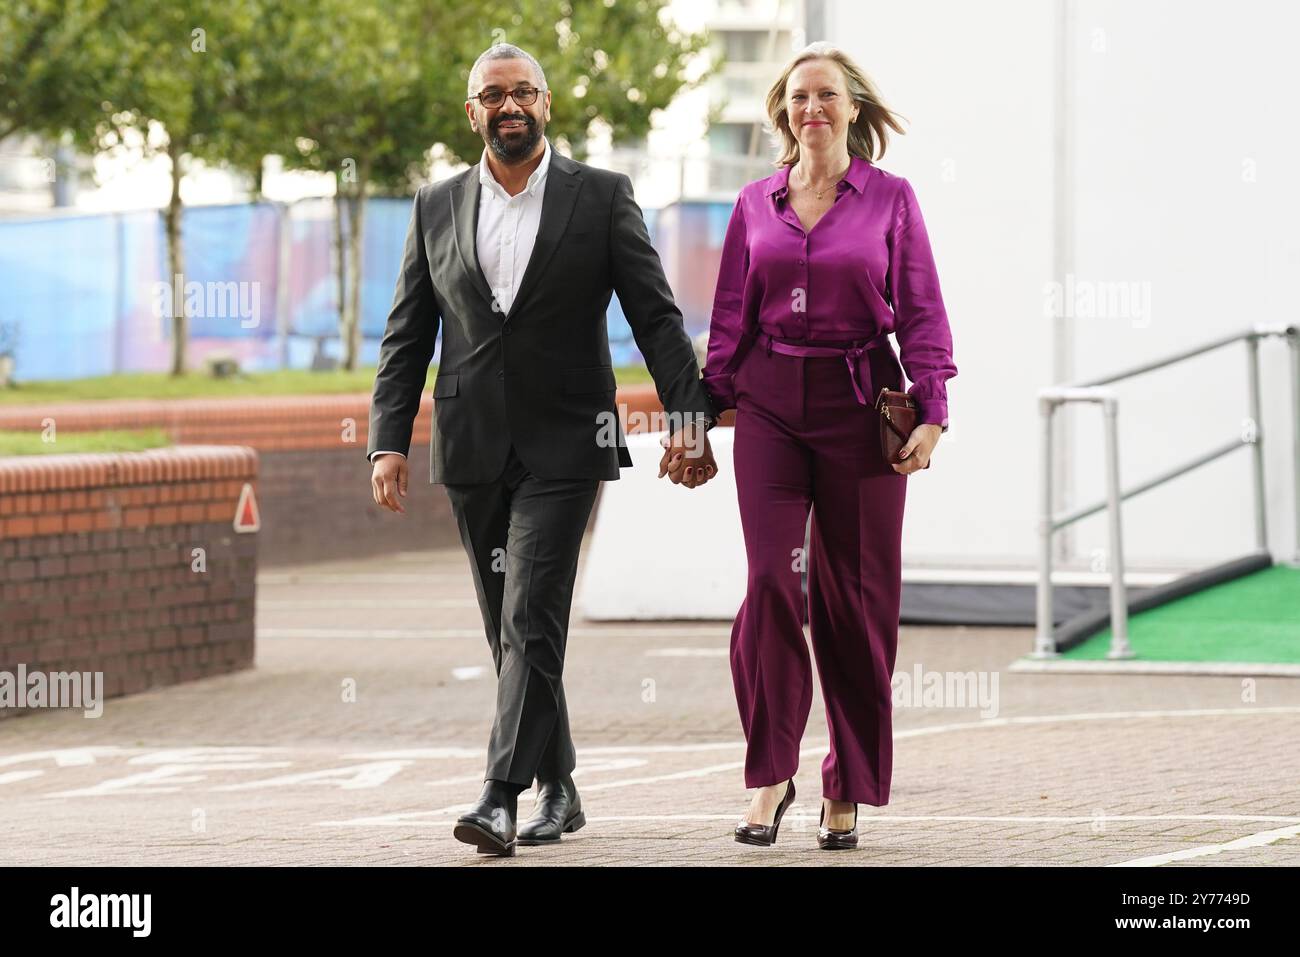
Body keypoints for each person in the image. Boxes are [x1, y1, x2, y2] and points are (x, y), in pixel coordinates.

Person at [367, 42, 718, 857]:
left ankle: (498, 795)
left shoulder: (599, 197)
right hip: (471, 444)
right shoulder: (436, 205)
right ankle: (559, 784)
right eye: (494, 94)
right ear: (472, 112)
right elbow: (406, 335)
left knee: (530, 612)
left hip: (570, 441)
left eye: (524, 91)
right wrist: (387, 440)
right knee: (510, 629)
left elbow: (656, 317)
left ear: (547, 104)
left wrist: (688, 417)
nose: (510, 105)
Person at [701, 41, 958, 850]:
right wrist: (698, 415)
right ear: (784, 112)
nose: (812, 109)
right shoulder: (753, 204)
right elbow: (729, 319)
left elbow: (919, 312)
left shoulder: (892, 199)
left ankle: (845, 781)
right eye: (798, 97)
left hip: (860, 404)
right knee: (771, 579)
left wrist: (933, 410)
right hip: (771, 404)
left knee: (854, 600)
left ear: (853, 109)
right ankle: (771, 772)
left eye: (827, 97)